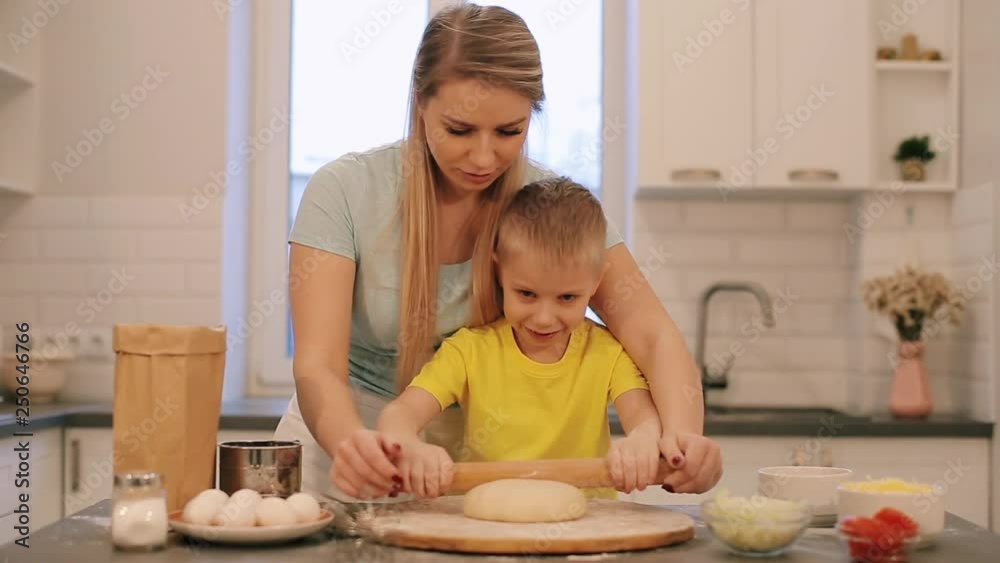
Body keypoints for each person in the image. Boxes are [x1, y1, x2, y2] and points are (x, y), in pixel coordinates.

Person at [272, 2, 722, 502]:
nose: (484, 157)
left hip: (471, 466)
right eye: (460, 130)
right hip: (344, 444)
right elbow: (319, 366)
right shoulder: (344, 192)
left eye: (510, 131)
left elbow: (653, 334)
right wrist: (353, 444)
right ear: (420, 103)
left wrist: (684, 440)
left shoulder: (547, 208)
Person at [372, 177, 662, 500]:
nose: (543, 317)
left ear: (596, 282)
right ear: (499, 271)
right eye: (526, 293)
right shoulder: (469, 351)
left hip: (586, 533)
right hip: (491, 533)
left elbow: (643, 418)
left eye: (567, 298)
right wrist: (408, 444)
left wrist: (643, 439)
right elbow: (399, 414)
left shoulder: (608, 353)